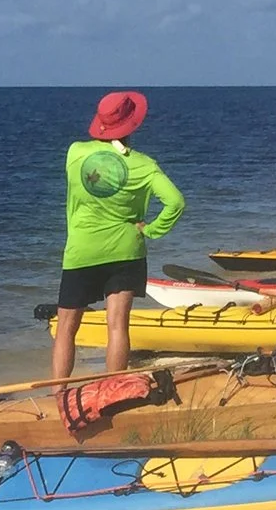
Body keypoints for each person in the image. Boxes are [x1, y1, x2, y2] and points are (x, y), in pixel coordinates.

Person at [55, 91, 185, 380]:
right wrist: (151, 230)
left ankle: (59, 393)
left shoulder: (75, 153)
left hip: (82, 250)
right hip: (126, 251)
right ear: (132, 125)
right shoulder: (144, 165)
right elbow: (175, 202)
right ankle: (112, 389)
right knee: (117, 325)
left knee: (66, 327)